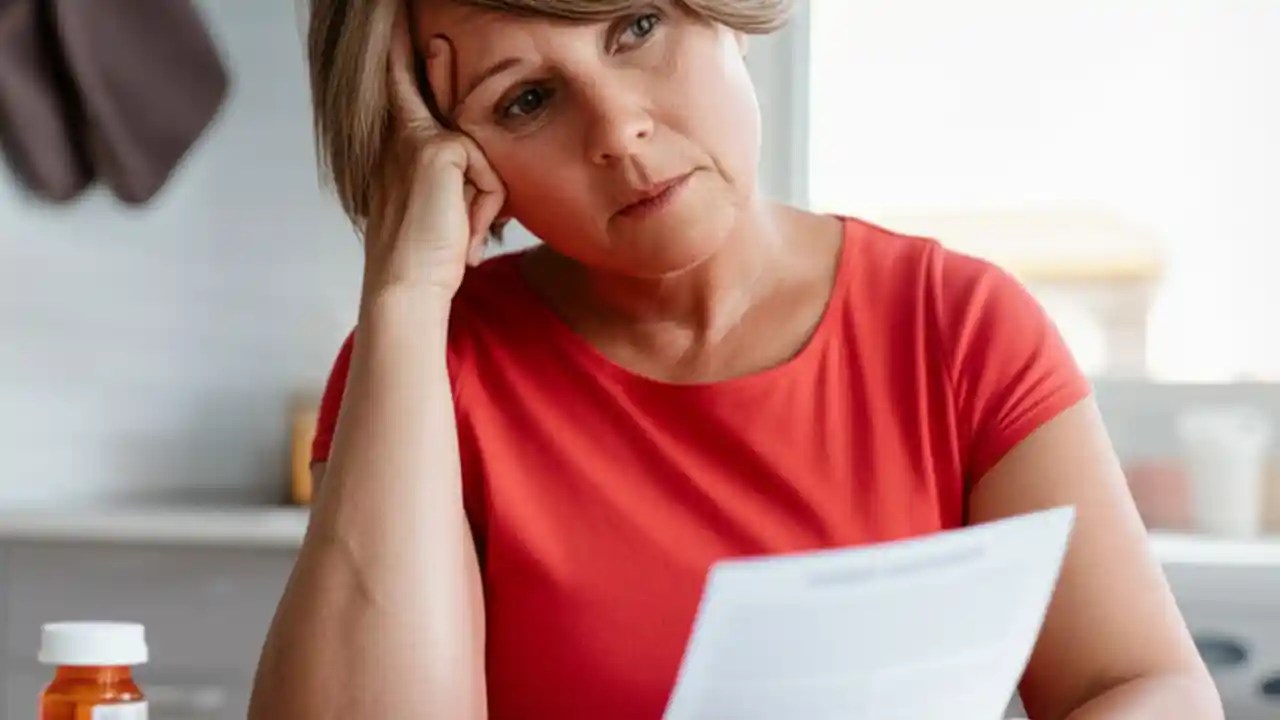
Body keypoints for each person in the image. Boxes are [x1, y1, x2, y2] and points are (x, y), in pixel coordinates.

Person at [249, 1, 1223, 718]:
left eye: (633, 28)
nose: (617, 127)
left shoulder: (955, 326)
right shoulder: (427, 370)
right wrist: (403, 295)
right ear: (455, 162)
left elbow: (1143, 685)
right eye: (527, 100)